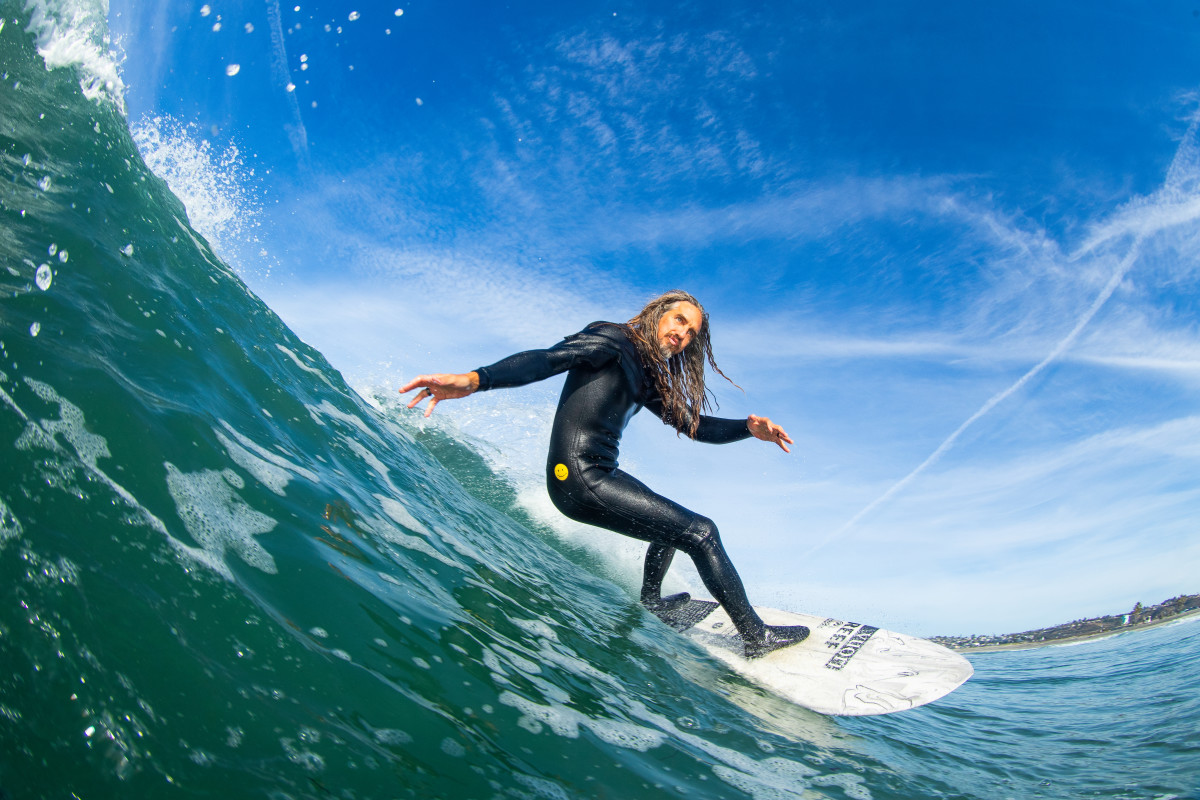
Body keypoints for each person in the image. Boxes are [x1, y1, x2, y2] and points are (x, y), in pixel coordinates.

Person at [399, 290, 808, 658]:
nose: (683, 334)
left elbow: (693, 425)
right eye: (679, 320)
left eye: (691, 332)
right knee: (701, 532)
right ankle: (755, 636)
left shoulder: (648, 373)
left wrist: (747, 430)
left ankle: (652, 601)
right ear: (658, 314)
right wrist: (475, 380)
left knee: (669, 521)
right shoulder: (614, 339)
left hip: (598, 474)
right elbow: (549, 359)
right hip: (578, 477)